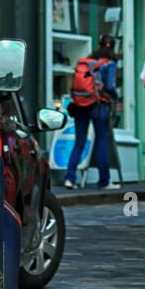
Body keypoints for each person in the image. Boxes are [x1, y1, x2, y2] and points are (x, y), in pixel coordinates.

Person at [63, 35, 120, 191]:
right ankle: (104, 181)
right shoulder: (109, 63)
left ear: (99, 44)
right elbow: (109, 86)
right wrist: (116, 96)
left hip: (80, 105)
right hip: (98, 105)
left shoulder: (87, 61)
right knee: (101, 141)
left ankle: (69, 178)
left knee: (79, 142)